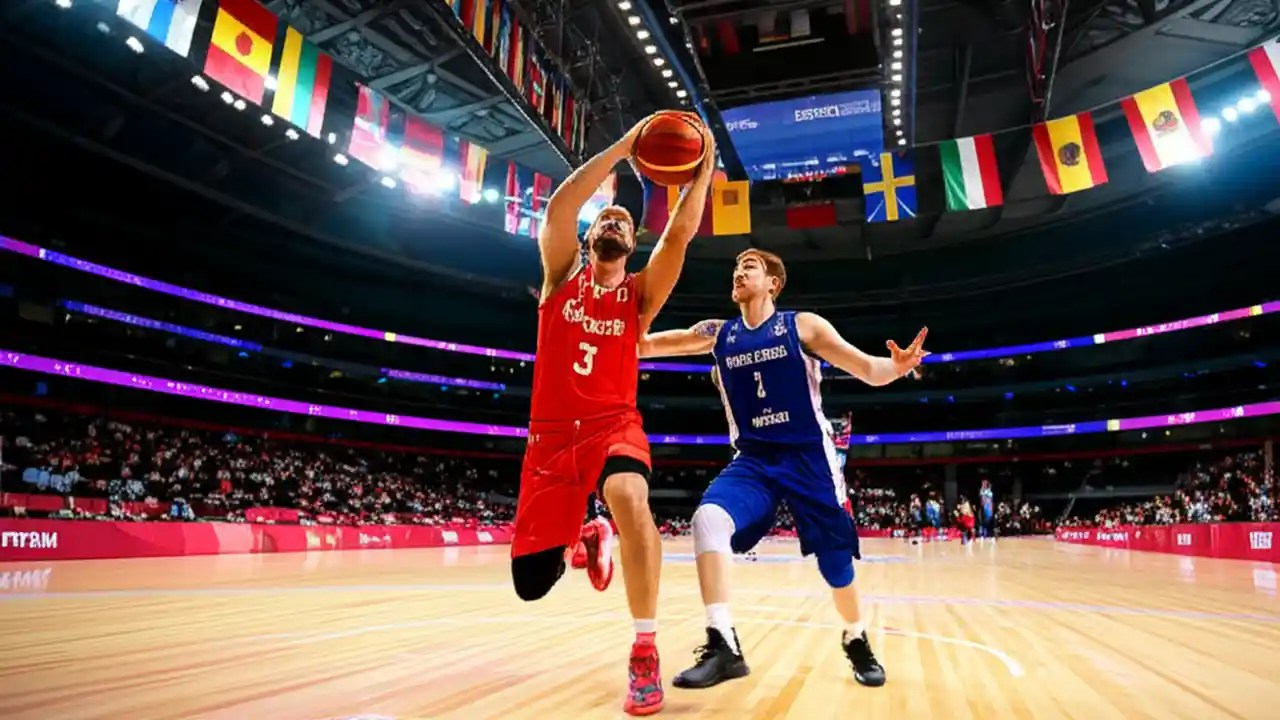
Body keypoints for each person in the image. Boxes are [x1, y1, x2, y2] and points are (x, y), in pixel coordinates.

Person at [636, 249, 928, 689]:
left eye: (749, 266)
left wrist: (898, 367)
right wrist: (608, 325)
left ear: (773, 282)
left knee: (836, 565)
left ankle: (855, 637)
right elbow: (646, 346)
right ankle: (723, 645)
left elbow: (867, 368)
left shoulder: (802, 325)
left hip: (808, 457)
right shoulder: (719, 334)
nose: (738, 271)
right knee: (708, 519)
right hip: (753, 459)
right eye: (735, 265)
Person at [511, 112, 717, 716]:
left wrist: (700, 172)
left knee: (629, 494)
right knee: (530, 584)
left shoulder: (639, 299)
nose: (613, 221)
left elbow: (676, 237)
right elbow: (558, 206)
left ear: (631, 245)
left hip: (612, 426)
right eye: (606, 217)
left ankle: (645, 651)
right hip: (549, 443)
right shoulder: (558, 278)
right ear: (589, 237)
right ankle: (585, 534)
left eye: (624, 221)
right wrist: (626, 148)